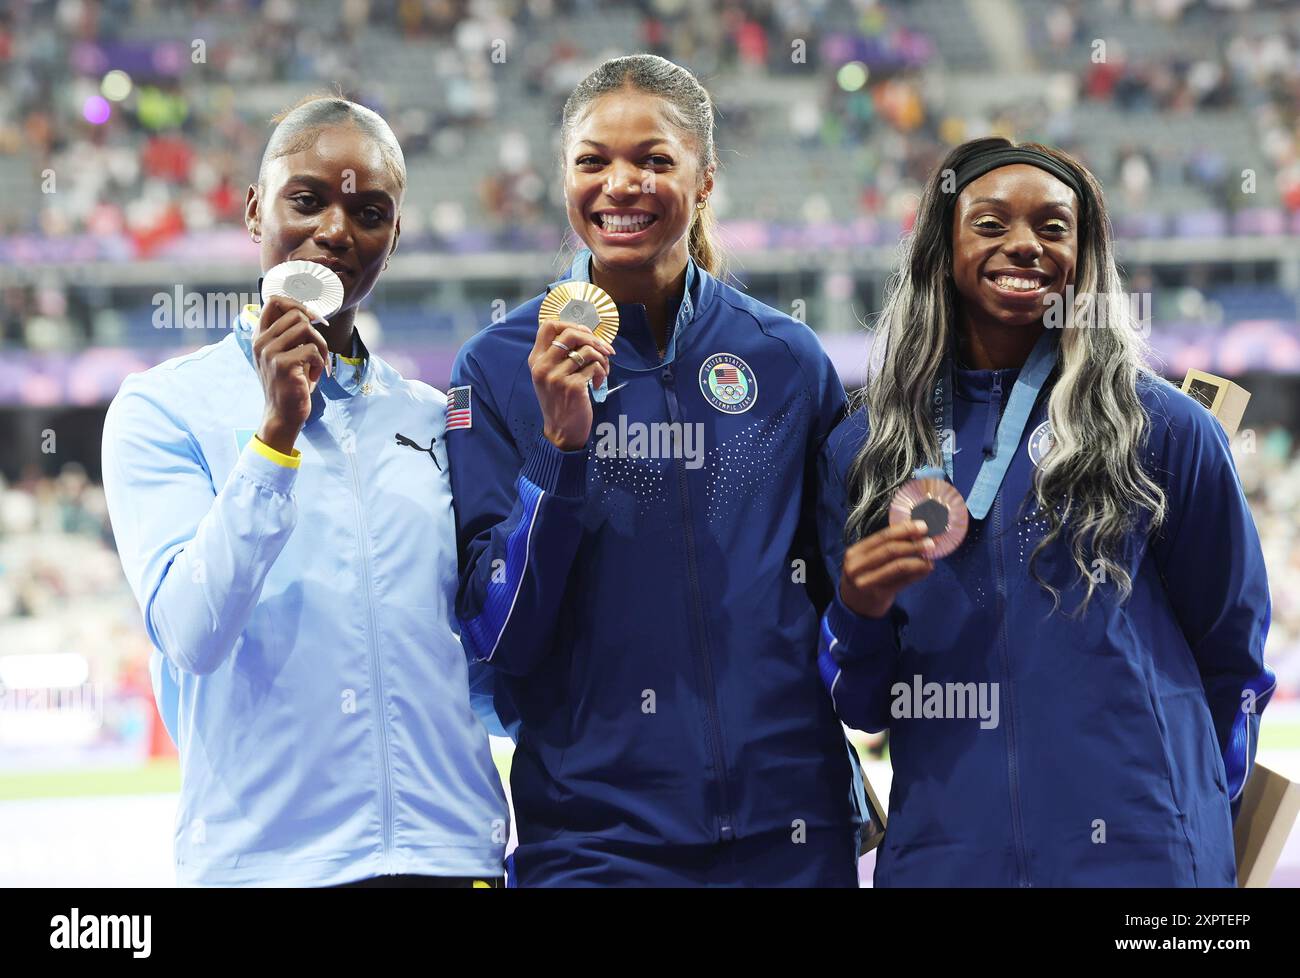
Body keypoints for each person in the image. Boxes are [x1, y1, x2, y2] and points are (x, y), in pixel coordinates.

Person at [446, 54, 866, 886]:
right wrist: (560, 455)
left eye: (654, 160)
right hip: (595, 840)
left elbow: (839, 598)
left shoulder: (783, 357)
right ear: (563, 177)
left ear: (704, 179)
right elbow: (499, 635)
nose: (621, 184)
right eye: (592, 161)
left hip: (789, 830)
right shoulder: (497, 366)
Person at [819, 137, 1275, 886]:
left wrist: (1183, 813)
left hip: (1144, 862)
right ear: (943, 246)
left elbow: (1233, 659)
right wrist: (859, 612)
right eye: (991, 223)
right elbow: (865, 706)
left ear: (1085, 256)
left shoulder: (1160, 429)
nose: (1025, 244)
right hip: (950, 862)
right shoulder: (864, 451)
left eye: (1054, 227)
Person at [101, 95, 508, 887]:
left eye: (369, 210)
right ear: (256, 210)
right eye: (308, 199)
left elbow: (486, 678)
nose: (335, 230)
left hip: (452, 857)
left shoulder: (436, 422)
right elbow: (191, 633)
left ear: (394, 234)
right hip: (269, 869)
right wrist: (274, 439)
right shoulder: (160, 409)